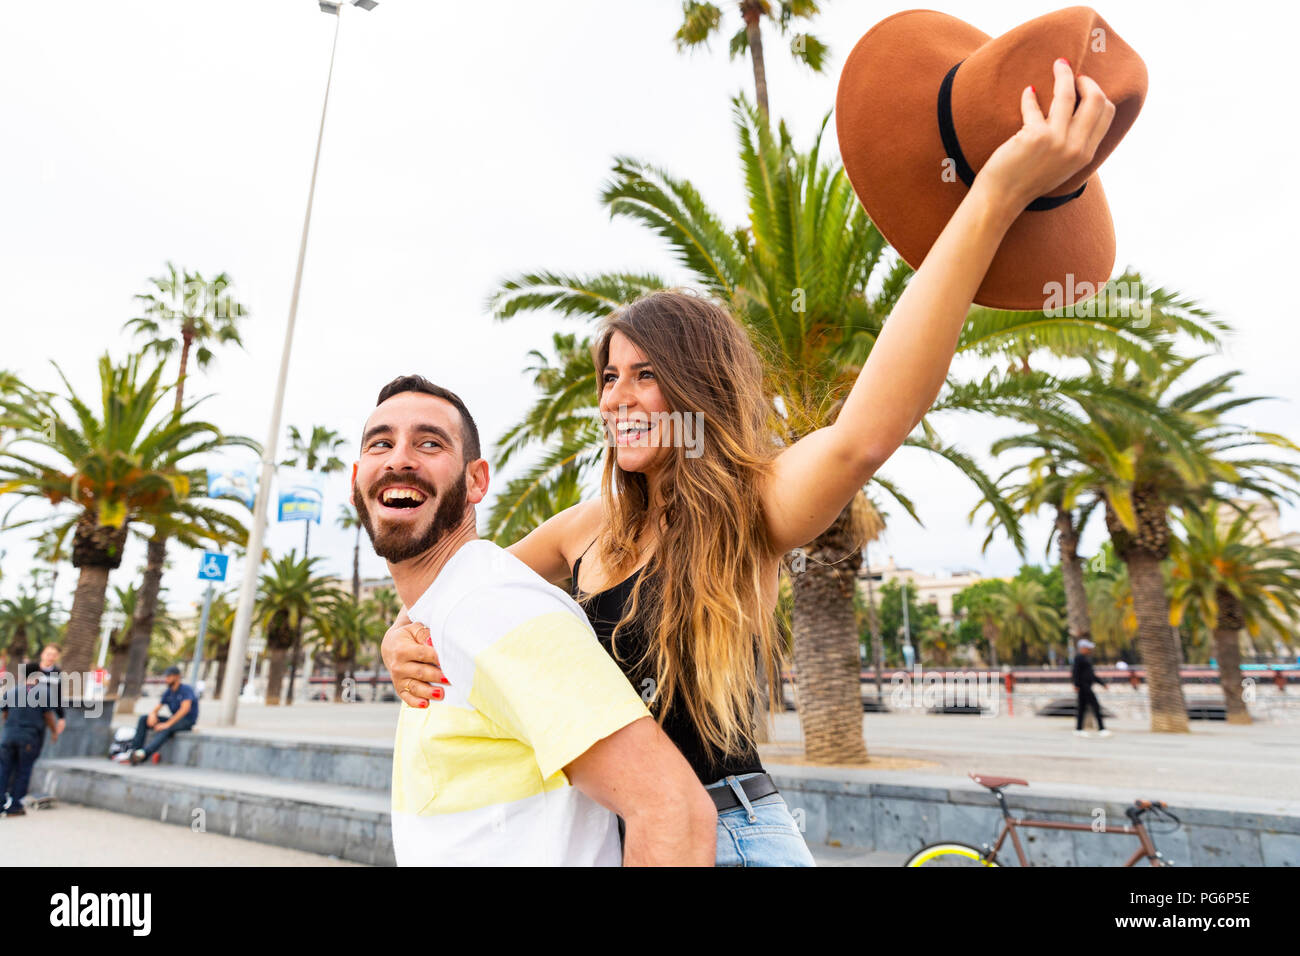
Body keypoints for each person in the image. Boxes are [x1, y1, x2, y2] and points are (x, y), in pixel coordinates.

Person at [384, 49, 1123, 865]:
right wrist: (399, 637)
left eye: (645, 376)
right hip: (625, 838)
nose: (615, 399)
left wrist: (993, 196)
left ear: (698, 387)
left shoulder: (754, 504)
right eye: (607, 378)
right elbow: (460, 602)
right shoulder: (580, 531)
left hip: (730, 835)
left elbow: (863, 433)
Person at [352, 377, 716, 866]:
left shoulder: (492, 605)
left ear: (477, 480)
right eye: (381, 443)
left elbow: (675, 813)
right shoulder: (454, 609)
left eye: (429, 443)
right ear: (356, 476)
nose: (399, 459)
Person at [0, 661, 60, 816]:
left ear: (22, 674)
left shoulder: (12, 691)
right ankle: (15, 806)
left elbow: (5, 714)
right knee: (23, 771)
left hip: (8, 736)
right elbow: (48, 716)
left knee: (4, 769)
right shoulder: (44, 692)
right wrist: (54, 732)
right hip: (29, 738)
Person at [127, 666, 197, 764]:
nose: (166, 679)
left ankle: (143, 754)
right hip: (174, 720)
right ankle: (134, 751)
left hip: (186, 722)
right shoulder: (169, 692)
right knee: (144, 719)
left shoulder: (186, 689)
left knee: (166, 728)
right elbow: (157, 707)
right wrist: (152, 715)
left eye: (169, 676)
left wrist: (168, 724)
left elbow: (185, 709)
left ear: (177, 677)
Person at [1072, 639, 1110, 737]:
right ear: (1083, 648)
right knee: (1095, 706)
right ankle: (1101, 729)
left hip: (1087, 686)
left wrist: (1102, 683)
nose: (1090, 650)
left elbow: (1092, 675)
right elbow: (1075, 672)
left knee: (1082, 708)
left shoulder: (1086, 658)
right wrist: (1076, 685)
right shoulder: (1079, 658)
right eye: (1088, 648)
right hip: (1083, 687)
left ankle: (1079, 729)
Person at [38, 644, 66, 738]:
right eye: (48, 654)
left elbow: (58, 696)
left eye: (54, 655)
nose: (51, 657)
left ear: (57, 657)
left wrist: (61, 717)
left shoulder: (57, 673)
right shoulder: (32, 669)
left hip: (45, 716)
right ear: (42, 654)